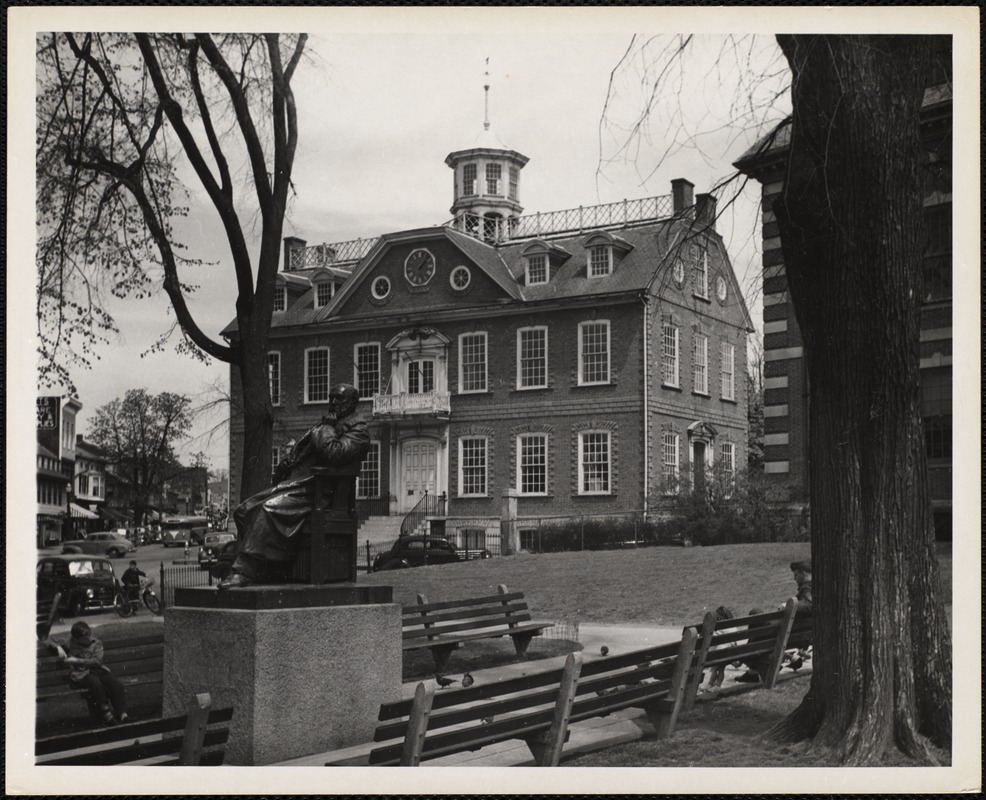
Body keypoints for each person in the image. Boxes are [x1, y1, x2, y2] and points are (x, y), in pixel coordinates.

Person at [219, 383, 370, 589]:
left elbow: (334, 453)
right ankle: (265, 570)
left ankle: (243, 570)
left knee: (267, 509)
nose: (333, 403)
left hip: (321, 493)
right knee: (243, 510)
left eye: (339, 399)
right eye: (331, 398)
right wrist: (288, 463)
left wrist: (326, 428)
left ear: (353, 403)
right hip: (298, 486)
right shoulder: (327, 423)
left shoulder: (359, 430)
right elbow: (303, 451)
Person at [43, 621, 129, 725]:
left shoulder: (96, 643)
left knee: (116, 684)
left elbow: (97, 662)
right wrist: (58, 647)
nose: (89, 638)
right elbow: (45, 640)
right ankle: (107, 714)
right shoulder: (69, 643)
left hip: (98, 670)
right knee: (95, 683)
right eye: (85, 637)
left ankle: (123, 715)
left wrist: (76, 661)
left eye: (89, 635)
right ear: (76, 639)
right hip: (81, 675)